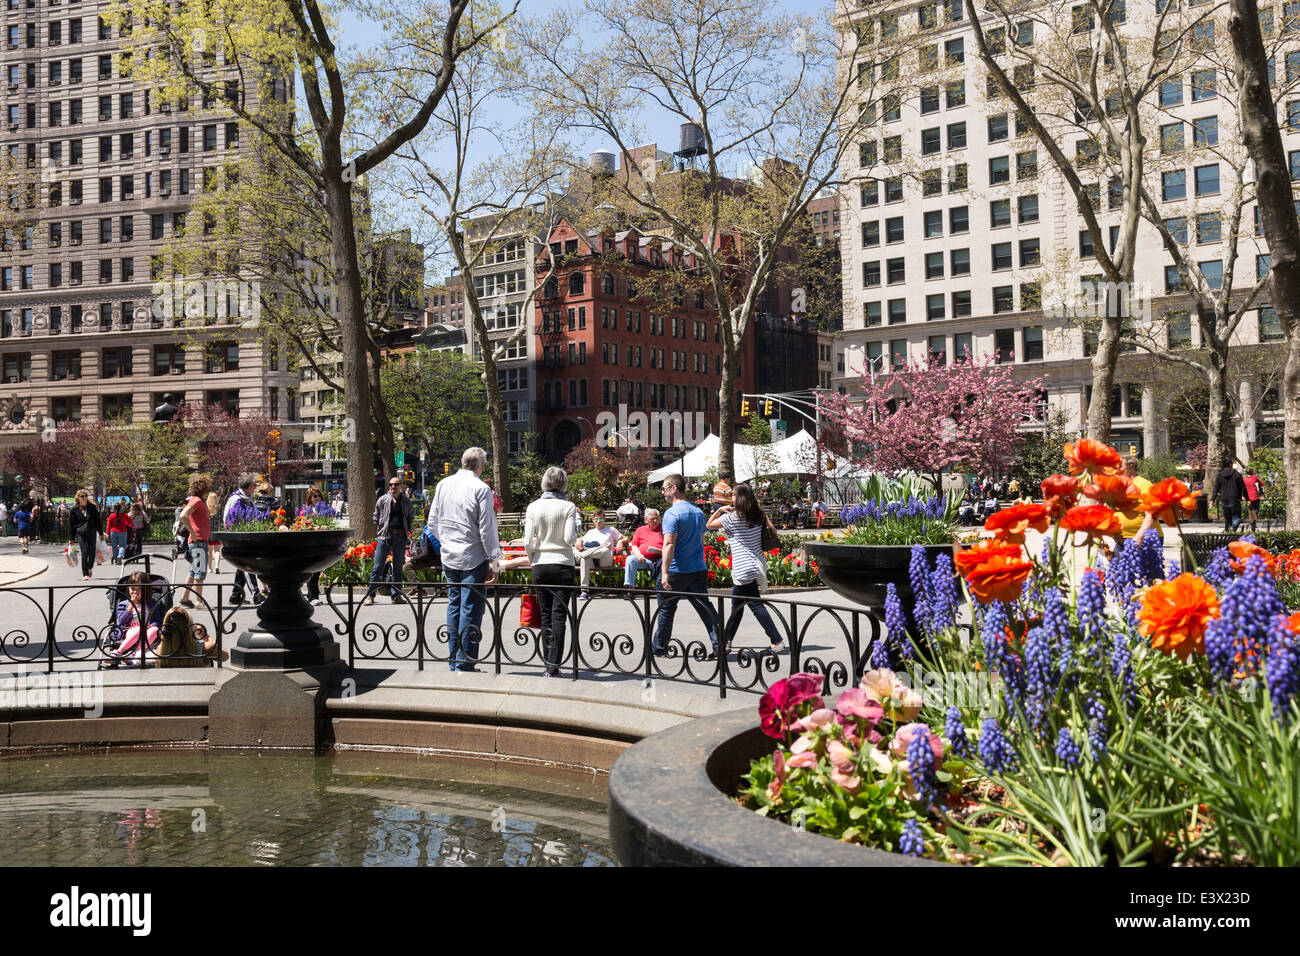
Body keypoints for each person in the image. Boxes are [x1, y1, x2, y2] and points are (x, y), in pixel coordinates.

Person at [426, 447, 502, 672]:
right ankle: (464, 663)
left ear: (461, 461)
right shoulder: (481, 489)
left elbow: (432, 522)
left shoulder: (443, 485)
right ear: (482, 467)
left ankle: (454, 662)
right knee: (470, 609)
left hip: (449, 556)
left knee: (454, 606)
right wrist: (494, 561)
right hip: (473, 557)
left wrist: (447, 542)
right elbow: (487, 530)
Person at [709, 483, 786, 654]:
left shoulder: (731, 518)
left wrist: (720, 510)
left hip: (742, 568)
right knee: (737, 605)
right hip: (756, 563)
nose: (731, 497)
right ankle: (727, 640)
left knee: (755, 605)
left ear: (740, 497)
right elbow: (773, 530)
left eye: (733, 494)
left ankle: (776, 639)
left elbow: (709, 525)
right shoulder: (758, 515)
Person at [652, 474, 721, 659]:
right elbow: (701, 541)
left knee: (666, 609)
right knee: (705, 608)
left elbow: (669, 544)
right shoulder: (698, 512)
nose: (663, 492)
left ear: (674, 488)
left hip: (676, 570)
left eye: (664, 488)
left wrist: (664, 573)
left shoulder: (671, 513)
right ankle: (720, 642)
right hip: (697, 568)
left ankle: (659, 647)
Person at [523, 466, 580, 677]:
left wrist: (533, 559)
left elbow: (527, 540)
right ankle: (554, 666)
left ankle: (547, 663)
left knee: (545, 616)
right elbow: (569, 539)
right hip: (563, 564)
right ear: (564, 483)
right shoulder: (568, 507)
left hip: (540, 564)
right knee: (559, 616)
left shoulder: (533, 507)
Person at [363, 476, 414, 605]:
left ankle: (396, 596)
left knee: (397, 568)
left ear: (401, 486)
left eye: (396, 484)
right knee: (377, 567)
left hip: (400, 537)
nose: (393, 487)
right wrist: (381, 528)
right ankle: (370, 596)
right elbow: (376, 516)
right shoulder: (383, 500)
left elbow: (410, 517)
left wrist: (406, 530)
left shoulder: (406, 502)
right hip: (384, 536)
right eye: (391, 484)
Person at [222, 475, 262, 605]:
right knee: (247, 565)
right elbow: (230, 519)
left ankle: (235, 596)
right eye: (254, 486)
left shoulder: (248, 499)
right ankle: (256, 594)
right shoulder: (237, 499)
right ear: (248, 486)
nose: (255, 488)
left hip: (247, 536)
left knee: (242, 566)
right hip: (238, 537)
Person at [177, 475, 212, 608]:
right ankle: (198, 601)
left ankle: (185, 598)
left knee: (193, 571)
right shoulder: (196, 501)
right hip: (198, 541)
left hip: (198, 540)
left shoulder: (197, 501)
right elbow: (183, 516)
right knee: (199, 572)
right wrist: (192, 531)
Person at [299, 488, 337, 605]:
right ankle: (312, 596)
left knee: (317, 570)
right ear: (309, 498)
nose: (318, 498)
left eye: (319, 496)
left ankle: (314, 595)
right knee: (311, 570)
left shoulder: (324, 509)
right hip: (309, 544)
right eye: (315, 496)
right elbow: (301, 524)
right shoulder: (305, 510)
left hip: (320, 543)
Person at [576, 509, 621, 599]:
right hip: (593, 559)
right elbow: (581, 539)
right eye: (596, 519)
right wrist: (579, 540)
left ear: (604, 520)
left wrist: (620, 541)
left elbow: (625, 538)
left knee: (605, 549)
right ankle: (584, 591)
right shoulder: (590, 532)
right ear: (593, 520)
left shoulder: (611, 530)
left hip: (605, 559)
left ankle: (581, 554)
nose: (598, 521)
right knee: (584, 559)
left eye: (600, 519)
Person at [1115, 456, 1156, 552]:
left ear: (1131, 466)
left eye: (1120, 466)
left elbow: (1152, 514)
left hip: (1141, 539)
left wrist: (1139, 537)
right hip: (1121, 539)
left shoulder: (1144, 484)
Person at [622, 508, 663, 592]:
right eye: (652, 519)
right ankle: (630, 590)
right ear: (646, 520)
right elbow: (634, 546)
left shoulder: (664, 529)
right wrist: (639, 555)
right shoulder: (640, 530)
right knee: (630, 559)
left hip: (660, 559)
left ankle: (662, 590)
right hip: (644, 559)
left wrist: (663, 552)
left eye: (657, 518)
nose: (655, 521)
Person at [68, 488, 104, 581]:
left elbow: (97, 521)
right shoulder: (74, 509)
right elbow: (71, 524)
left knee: (92, 551)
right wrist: (71, 538)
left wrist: (101, 533)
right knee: (84, 551)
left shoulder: (92, 507)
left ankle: (90, 567)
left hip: (91, 531)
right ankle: (85, 574)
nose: (84, 498)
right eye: (82, 496)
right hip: (81, 533)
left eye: (86, 496)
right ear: (78, 498)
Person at [1211, 456, 1248, 532]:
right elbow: (1243, 488)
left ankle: (1229, 533)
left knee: (1228, 519)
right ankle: (1232, 529)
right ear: (1231, 464)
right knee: (1237, 518)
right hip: (1234, 499)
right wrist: (1247, 498)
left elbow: (1216, 489)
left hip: (1224, 499)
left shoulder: (1220, 475)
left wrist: (1212, 500)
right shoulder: (1237, 475)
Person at [205, 491, 223, 573]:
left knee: (209, 551)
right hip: (217, 531)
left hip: (208, 531)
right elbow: (222, 519)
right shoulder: (219, 508)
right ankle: (216, 566)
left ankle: (209, 568)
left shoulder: (206, 508)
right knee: (217, 550)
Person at [1243, 467, 1265, 533]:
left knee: (1250, 511)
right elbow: (1262, 483)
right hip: (1254, 496)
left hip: (1247, 497)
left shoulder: (1244, 479)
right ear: (1252, 472)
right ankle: (1253, 523)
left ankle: (1253, 524)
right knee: (1256, 509)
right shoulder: (1255, 477)